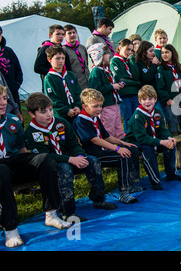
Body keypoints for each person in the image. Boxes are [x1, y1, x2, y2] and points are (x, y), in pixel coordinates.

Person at [24, 92, 117, 222]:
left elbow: (74, 143)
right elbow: (45, 156)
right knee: (65, 168)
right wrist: (70, 159)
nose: (49, 114)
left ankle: (99, 199)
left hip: (71, 159)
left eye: (50, 110)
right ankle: (68, 212)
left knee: (93, 161)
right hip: (52, 166)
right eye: (43, 112)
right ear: (32, 114)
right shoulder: (30, 133)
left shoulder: (61, 123)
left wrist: (79, 155)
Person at [0, 85, 70, 248]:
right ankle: (10, 228)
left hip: (11, 162)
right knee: (1, 170)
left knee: (43, 159)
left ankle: (51, 213)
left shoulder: (13, 120)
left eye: (4, 98)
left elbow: (21, 149)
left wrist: (32, 162)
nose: (3, 103)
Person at [73, 88, 140, 203]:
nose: (99, 109)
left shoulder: (94, 118)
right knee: (122, 156)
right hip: (91, 155)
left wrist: (123, 143)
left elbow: (106, 136)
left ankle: (132, 183)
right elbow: (95, 140)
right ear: (84, 106)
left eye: (100, 106)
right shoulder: (81, 121)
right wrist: (117, 148)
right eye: (95, 106)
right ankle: (124, 192)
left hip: (101, 151)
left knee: (131, 149)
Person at [124, 85, 181, 191]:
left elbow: (162, 129)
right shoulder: (138, 116)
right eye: (144, 99)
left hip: (151, 138)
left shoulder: (157, 111)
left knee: (170, 145)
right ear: (139, 101)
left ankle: (171, 173)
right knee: (148, 149)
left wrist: (169, 137)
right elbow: (141, 138)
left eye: (150, 98)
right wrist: (160, 142)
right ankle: (155, 180)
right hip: (136, 142)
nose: (147, 102)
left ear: (155, 99)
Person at [87, 43, 125, 139]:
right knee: (109, 129)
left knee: (118, 129)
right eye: (106, 53)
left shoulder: (106, 70)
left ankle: (120, 147)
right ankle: (110, 149)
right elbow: (96, 90)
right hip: (106, 106)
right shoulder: (96, 72)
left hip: (114, 104)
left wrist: (117, 85)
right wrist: (112, 86)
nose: (109, 56)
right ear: (99, 56)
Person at [43, 46, 82, 123]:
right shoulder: (49, 78)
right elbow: (52, 99)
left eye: (62, 58)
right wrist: (66, 110)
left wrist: (78, 106)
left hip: (75, 112)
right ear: (49, 60)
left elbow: (78, 93)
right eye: (57, 58)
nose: (61, 61)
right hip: (61, 116)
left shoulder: (70, 75)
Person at [110, 38, 141, 132]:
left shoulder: (129, 60)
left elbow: (136, 76)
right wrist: (136, 83)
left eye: (132, 50)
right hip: (124, 95)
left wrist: (132, 59)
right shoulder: (115, 61)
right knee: (128, 120)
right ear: (120, 48)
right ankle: (129, 141)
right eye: (128, 49)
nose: (130, 52)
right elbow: (120, 78)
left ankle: (138, 139)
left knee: (137, 118)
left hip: (135, 94)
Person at [156, 44, 181, 135]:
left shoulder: (178, 66)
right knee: (173, 122)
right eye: (162, 53)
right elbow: (160, 86)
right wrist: (167, 99)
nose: (164, 55)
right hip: (171, 101)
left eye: (167, 52)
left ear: (173, 53)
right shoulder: (161, 68)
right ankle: (176, 145)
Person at [34, 24, 72, 90]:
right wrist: (54, 73)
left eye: (62, 34)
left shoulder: (63, 49)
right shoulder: (45, 49)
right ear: (50, 35)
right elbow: (37, 67)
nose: (61, 36)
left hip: (64, 82)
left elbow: (68, 66)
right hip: (51, 83)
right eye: (58, 34)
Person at [0, 26, 23, 107]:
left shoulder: (8, 51)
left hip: (12, 90)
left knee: (16, 114)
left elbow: (18, 69)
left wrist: (16, 84)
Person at [63, 24, 90, 90]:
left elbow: (86, 63)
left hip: (89, 81)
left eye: (74, 32)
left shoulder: (82, 48)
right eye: (69, 33)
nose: (72, 35)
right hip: (77, 84)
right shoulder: (63, 50)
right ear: (64, 36)